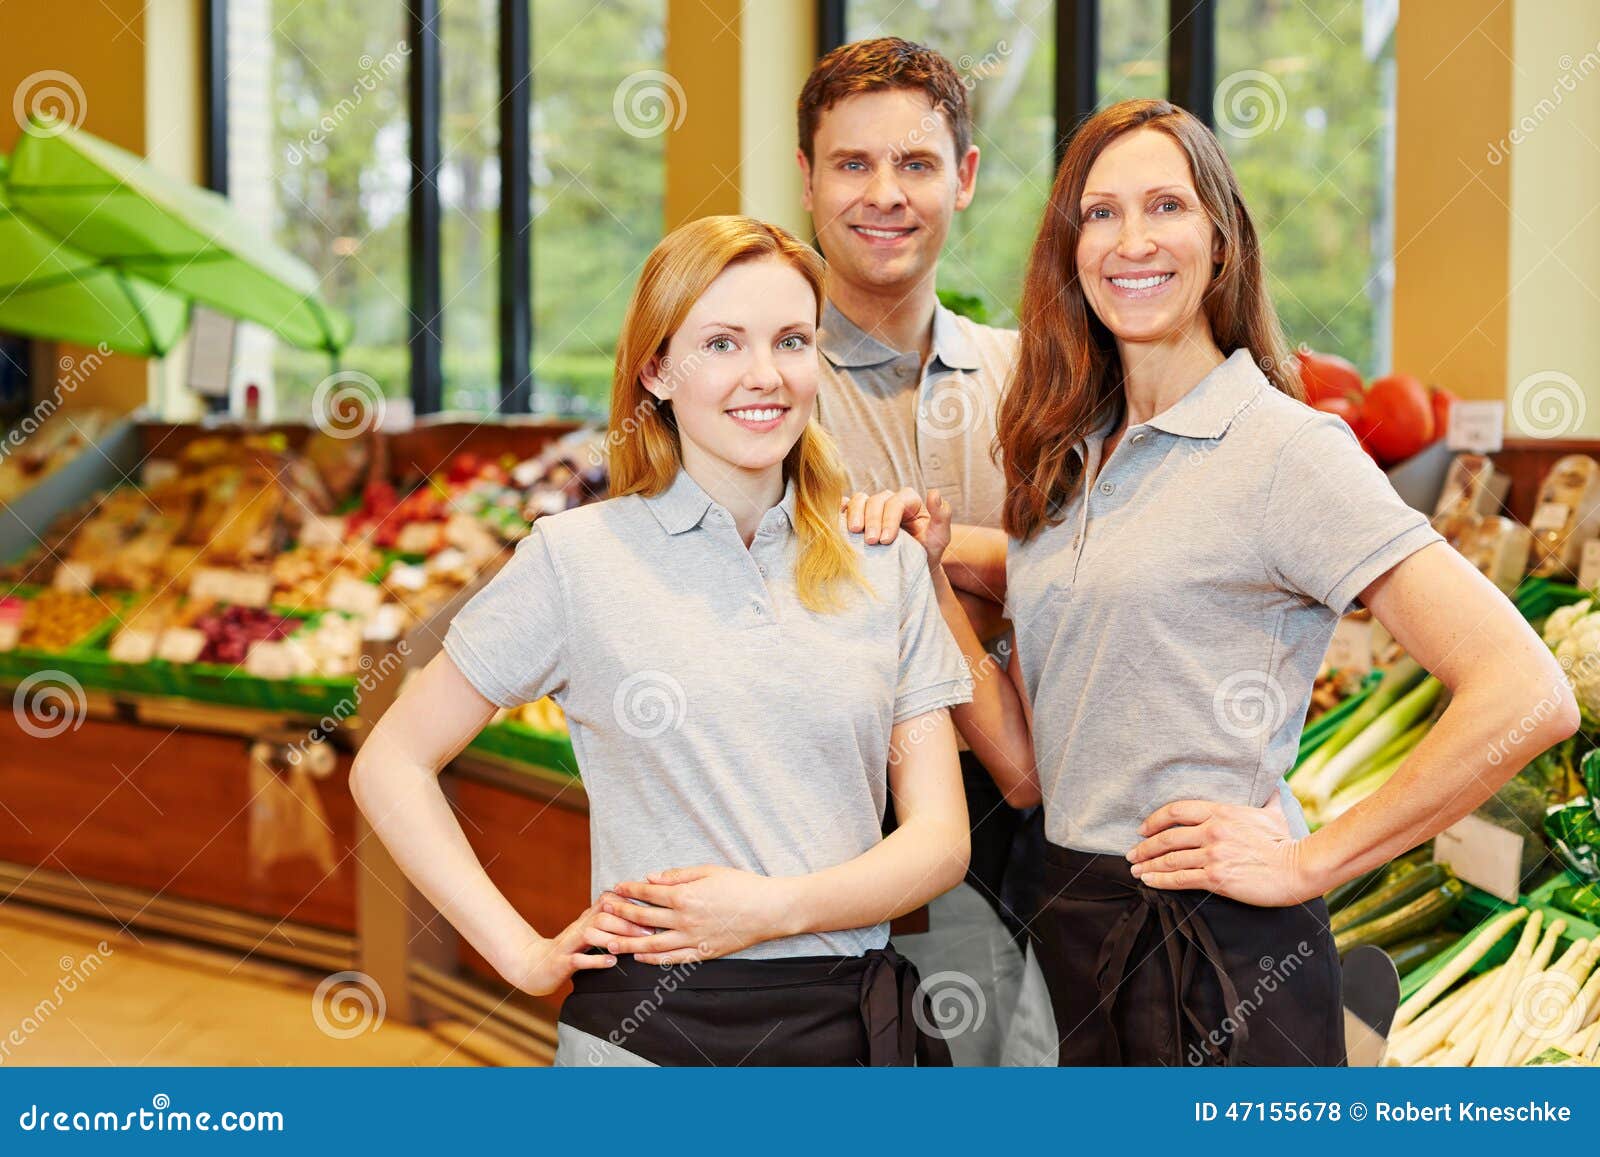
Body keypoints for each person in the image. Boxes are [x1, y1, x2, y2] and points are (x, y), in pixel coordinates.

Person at [859, 98, 1579, 1066]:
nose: (1131, 240)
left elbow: (1527, 691)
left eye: (1166, 206)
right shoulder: (1081, 450)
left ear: (1221, 240)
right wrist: (934, 556)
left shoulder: (1284, 450)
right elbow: (1038, 745)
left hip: (1218, 952)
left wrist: (1311, 859)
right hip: (1076, 919)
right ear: (1070, 247)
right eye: (1101, 213)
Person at [350, 214, 974, 1067]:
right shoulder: (575, 559)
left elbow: (941, 840)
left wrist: (771, 909)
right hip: (645, 1042)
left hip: (850, 1034)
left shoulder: (886, 565)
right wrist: (525, 955)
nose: (765, 375)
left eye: (792, 340)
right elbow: (389, 763)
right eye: (721, 343)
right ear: (657, 368)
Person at [796, 36, 1054, 1066]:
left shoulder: (1033, 377)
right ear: (808, 181)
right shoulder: (761, 384)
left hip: (1028, 813)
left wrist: (939, 555)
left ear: (967, 177)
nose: (883, 194)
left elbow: (1093, 570)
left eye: (914, 163)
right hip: (830, 810)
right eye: (851, 163)